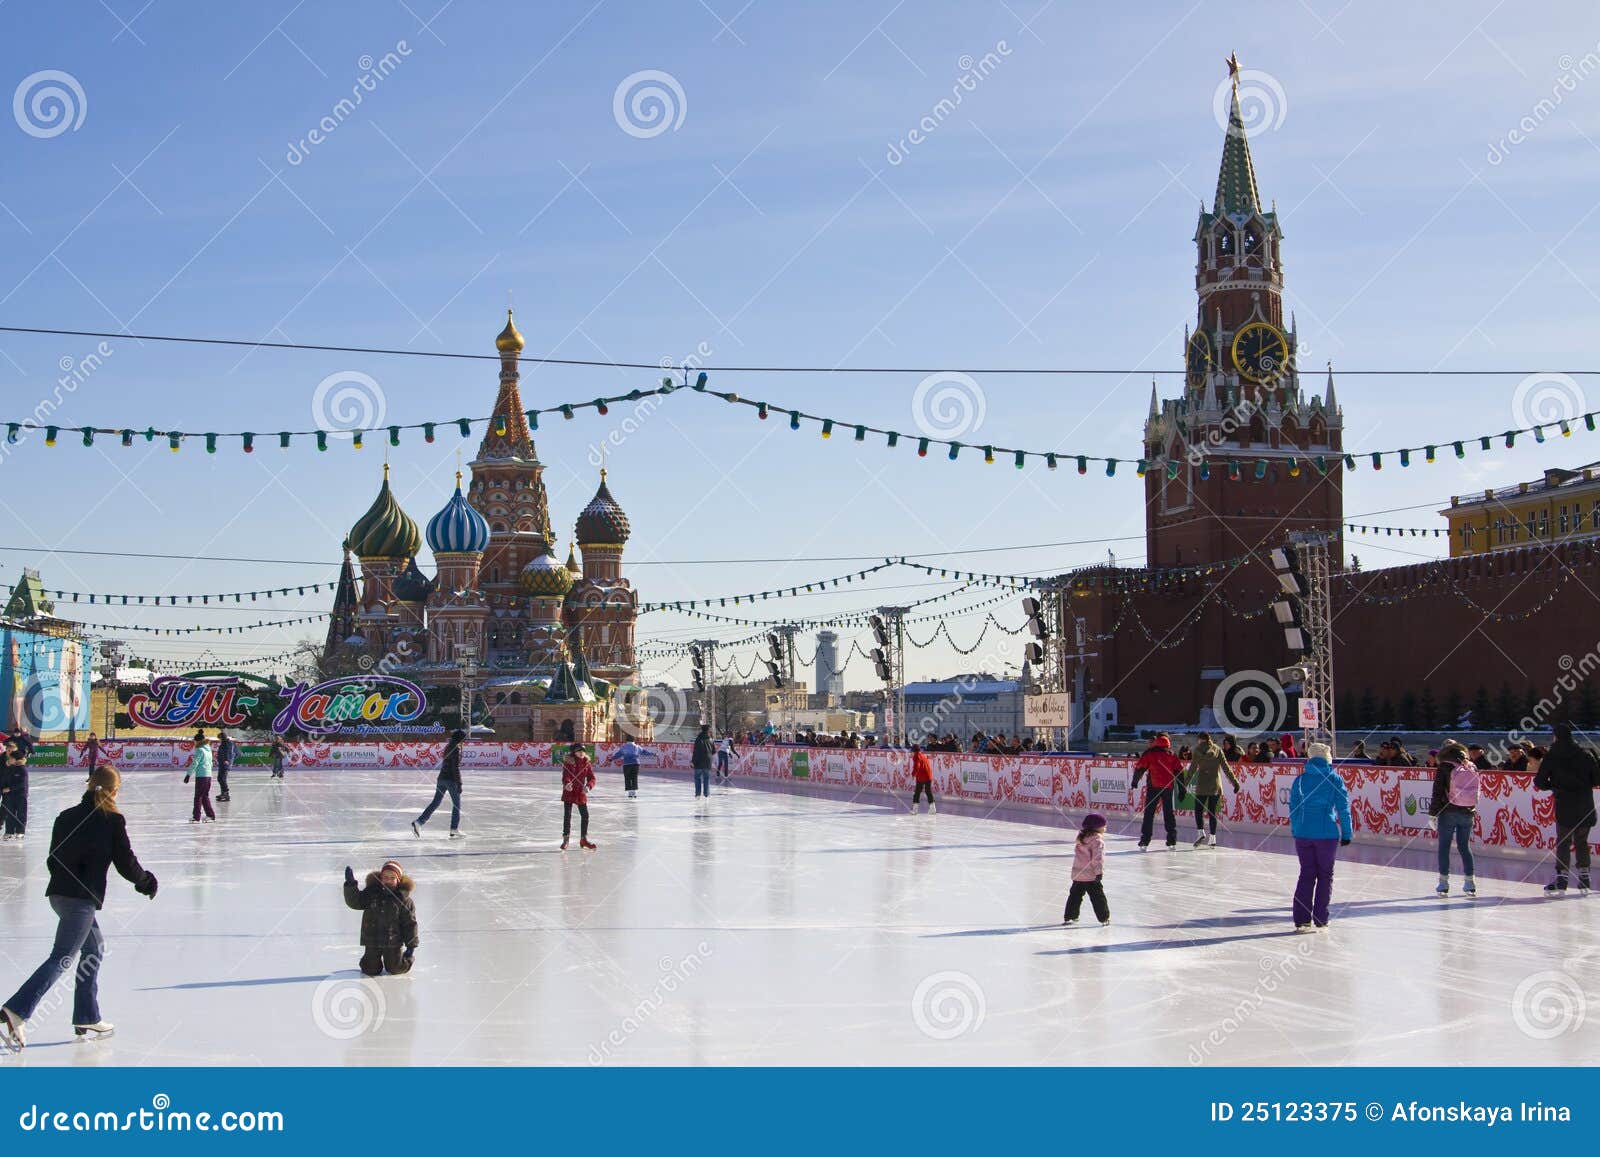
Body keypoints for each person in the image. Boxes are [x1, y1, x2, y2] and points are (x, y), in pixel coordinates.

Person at [0, 765, 157, 1049]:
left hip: (59, 895)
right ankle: (17, 1010)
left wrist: (66, 885)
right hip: (79, 901)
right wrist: (146, 882)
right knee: (62, 957)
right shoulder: (111, 820)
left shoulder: (66, 816)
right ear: (114, 791)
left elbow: (52, 858)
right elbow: (126, 862)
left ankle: (87, 1015)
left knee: (93, 948)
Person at [1288, 741, 1352, 932]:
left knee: (1306, 873)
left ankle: (1301, 919)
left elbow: (1293, 808)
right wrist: (1347, 832)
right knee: (1325, 875)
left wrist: (1296, 829)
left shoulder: (1299, 780)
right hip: (1326, 835)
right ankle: (1321, 917)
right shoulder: (1334, 779)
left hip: (1303, 834)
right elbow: (1343, 807)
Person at [1533, 722, 1600, 893]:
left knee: (1563, 842)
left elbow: (1539, 781)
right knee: (1582, 841)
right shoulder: (1586, 754)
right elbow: (1596, 779)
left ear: (1556, 736)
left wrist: (1554, 786)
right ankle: (1584, 877)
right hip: (1585, 803)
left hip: (1564, 803)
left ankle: (1561, 878)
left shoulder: (1552, 756)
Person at [342, 860, 417, 976]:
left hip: (393, 941)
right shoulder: (372, 893)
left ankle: (405, 961)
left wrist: (411, 946)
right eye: (385, 877)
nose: (388, 880)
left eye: (392, 877)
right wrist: (350, 884)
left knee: (396, 969)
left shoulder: (404, 900)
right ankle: (368, 960)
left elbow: (410, 924)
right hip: (372, 939)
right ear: (380, 878)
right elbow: (355, 902)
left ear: (398, 880)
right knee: (370, 970)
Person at [1429, 740, 1478, 896]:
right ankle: (1470, 882)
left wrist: (1433, 814)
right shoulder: (1471, 765)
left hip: (1448, 811)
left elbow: (1437, 792)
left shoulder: (1444, 766)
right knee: (1464, 846)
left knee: (1444, 846)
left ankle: (1443, 883)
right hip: (1468, 811)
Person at [1130, 733, 1183, 851]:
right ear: (1167, 744)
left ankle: (1145, 840)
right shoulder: (1172, 755)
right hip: (1168, 788)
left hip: (1153, 787)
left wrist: (1135, 781)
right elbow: (1179, 772)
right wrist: (1182, 788)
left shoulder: (1150, 754)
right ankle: (1172, 839)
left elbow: (1140, 768)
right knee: (1168, 813)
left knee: (1149, 814)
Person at [1187, 732, 1239, 847]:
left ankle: (1201, 832)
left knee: (1198, 810)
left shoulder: (1197, 750)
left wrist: (1184, 784)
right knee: (1212, 812)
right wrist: (1235, 782)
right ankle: (1213, 838)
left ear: (1200, 740)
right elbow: (1226, 768)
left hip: (1202, 785)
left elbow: (1192, 770)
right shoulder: (1218, 750)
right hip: (1215, 785)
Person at [412, 728, 466, 839]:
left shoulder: (448, 747)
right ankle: (454, 828)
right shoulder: (455, 749)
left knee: (435, 803)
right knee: (456, 805)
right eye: (463, 739)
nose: (464, 741)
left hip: (441, 779)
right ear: (460, 739)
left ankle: (419, 822)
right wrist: (459, 783)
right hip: (451, 780)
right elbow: (455, 767)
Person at [1061, 813, 1110, 927]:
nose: (1105, 828)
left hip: (1078, 874)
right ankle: (1104, 918)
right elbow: (1097, 859)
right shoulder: (1098, 841)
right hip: (1091, 876)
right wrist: (1099, 873)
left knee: (1075, 896)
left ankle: (1070, 916)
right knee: (1098, 897)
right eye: (1103, 825)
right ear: (1097, 827)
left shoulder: (1081, 838)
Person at [560, 744, 598, 851]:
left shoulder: (587, 764)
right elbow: (565, 776)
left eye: (583, 751)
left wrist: (588, 787)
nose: (581, 753)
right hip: (569, 791)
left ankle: (583, 839)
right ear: (574, 753)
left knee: (585, 815)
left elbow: (592, 779)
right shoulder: (569, 763)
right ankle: (566, 839)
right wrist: (567, 784)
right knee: (567, 816)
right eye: (579, 751)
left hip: (581, 792)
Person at [184, 729, 216, 823]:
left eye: (195, 741)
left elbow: (195, 763)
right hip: (208, 776)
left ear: (198, 741)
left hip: (201, 776)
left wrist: (188, 775)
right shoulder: (208, 750)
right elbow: (211, 763)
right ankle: (210, 816)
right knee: (205, 796)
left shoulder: (200, 750)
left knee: (198, 797)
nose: (194, 743)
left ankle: (196, 817)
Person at [909, 744, 936, 814]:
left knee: (917, 792)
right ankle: (933, 808)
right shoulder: (922, 755)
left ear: (913, 751)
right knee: (928, 791)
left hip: (921, 776)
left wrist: (913, 774)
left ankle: (915, 809)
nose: (911, 753)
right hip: (928, 775)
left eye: (911, 751)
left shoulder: (916, 756)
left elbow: (917, 766)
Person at [691, 725, 714, 798]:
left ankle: (698, 794)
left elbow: (695, 751)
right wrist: (709, 755)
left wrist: (693, 761)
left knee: (697, 778)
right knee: (706, 778)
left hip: (698, 762)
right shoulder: (711, 739)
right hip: (707, 762)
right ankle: (706, 794)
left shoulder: (698, 739)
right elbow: (714, 751)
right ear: (708, 731)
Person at [215, 728, 236, 802]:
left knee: (221, 778)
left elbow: (229, 752)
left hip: (225, 763)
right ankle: (223, 793)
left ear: (222, 737)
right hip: (222, 763)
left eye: (219, 738)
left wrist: (227, 760)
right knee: (221, 778)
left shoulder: (227, 743)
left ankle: (226, 793)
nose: (219, 740)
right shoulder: (225, 743)